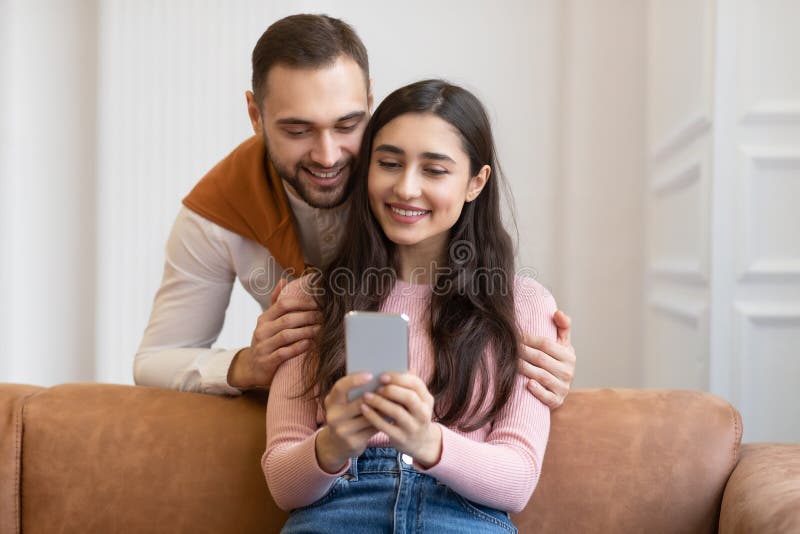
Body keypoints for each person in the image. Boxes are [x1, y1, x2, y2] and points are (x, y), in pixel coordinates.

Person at [134, 14, 576, 409]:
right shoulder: (216, 212)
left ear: (369, 101)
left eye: (347, 125)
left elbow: (474, 298)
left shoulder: (406, 183)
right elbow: (154, 360)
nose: (328, 156)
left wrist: (534, 363)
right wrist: (245, 366)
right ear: (255, 115)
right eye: (297, 129)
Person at [265, 80, 554, 533]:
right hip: (338, 513)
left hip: (461, 517)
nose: (405, 187)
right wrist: (334, 443)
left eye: (435, 170)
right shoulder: (311, 299)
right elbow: (283, 484)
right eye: (389, 163)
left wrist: (427, 441)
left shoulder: (523, 305)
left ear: (475, 183)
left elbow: (517, 482)